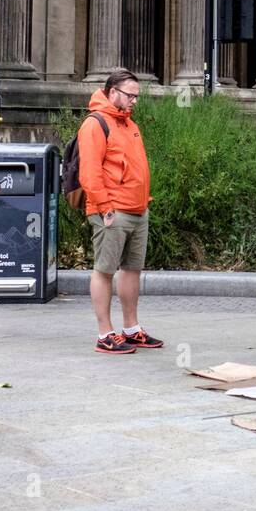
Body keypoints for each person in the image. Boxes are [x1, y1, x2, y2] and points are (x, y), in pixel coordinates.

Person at [77, 68, 161, 354]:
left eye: (137, 96)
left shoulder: (128, 124)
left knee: (132, 269)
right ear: (112, 92)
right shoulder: (95, 123)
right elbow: (89, 173)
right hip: (112, 211)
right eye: (130, 95)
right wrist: (105, 208)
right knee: (104, 270)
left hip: (137, 209)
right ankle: (104, 333)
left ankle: (131, 328)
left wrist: (143, 201)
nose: (135, 100)